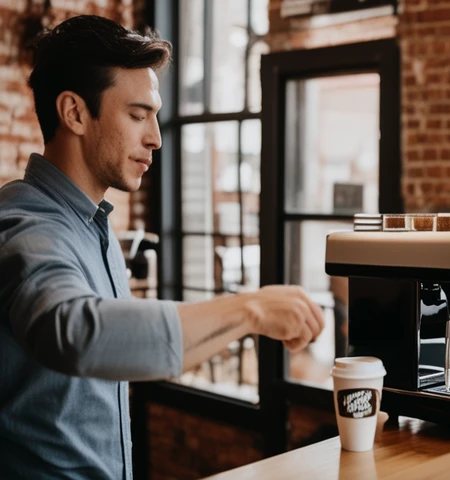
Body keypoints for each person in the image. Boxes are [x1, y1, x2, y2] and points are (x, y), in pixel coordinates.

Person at [0, 16, 324, 479]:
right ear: (74, 113)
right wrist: (250, 310)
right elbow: (74, 331)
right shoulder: (22, 222)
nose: (154, 136)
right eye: (137, 115)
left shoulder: (95, 225)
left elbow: (118, 351)